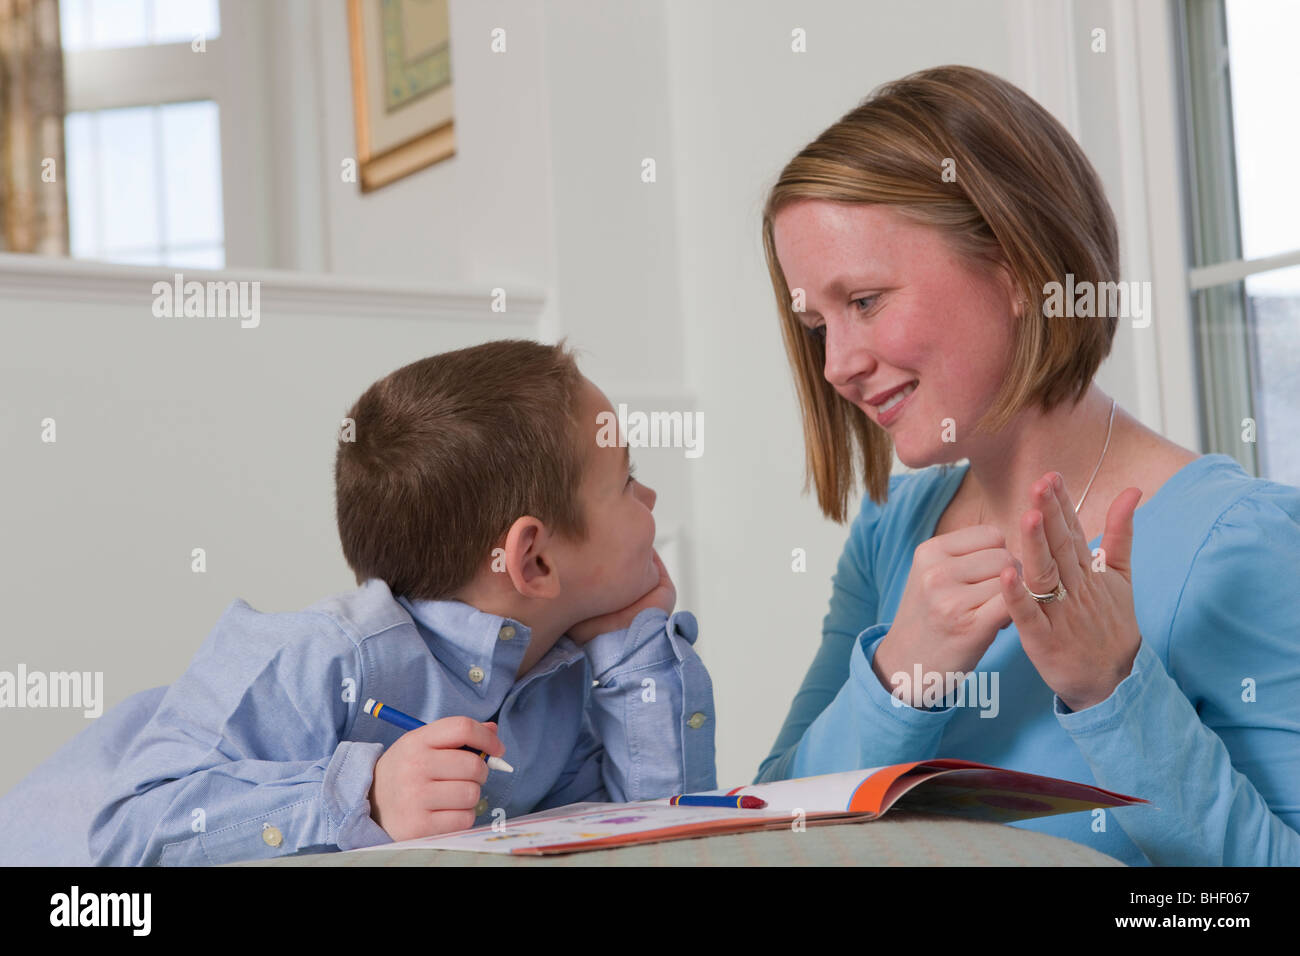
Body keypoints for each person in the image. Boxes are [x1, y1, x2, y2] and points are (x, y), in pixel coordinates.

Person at [753, 64, 1300, 866]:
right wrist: (897, 676)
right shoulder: (889, 536)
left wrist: (1115, 693)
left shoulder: (1237, 544)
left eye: (864, 301)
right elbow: (767, 830)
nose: (836, 365)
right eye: (815, 325)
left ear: (1015, 270)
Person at [0, 339, 715, 865]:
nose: (649, 500)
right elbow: (130, 828)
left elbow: (659, 845)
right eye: (628, 479)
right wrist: (363, 798)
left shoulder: (565, 675)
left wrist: (635, 655)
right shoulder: (319, 654)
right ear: (532, 558)